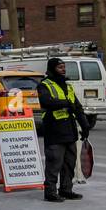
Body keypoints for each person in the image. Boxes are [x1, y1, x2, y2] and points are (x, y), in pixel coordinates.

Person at [35, 57, 89, 202]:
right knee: (54, 163)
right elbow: (46, 101)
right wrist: (66, 103)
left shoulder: (68, 86)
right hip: (54, 130)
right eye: (60, 67)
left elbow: (77, 108)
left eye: (64, 67)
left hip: (70, 130)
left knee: (69, 163)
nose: (63, 69)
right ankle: (50, 192)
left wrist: (85, 126)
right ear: (52, 69)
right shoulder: (44, 85)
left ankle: (66, 189)